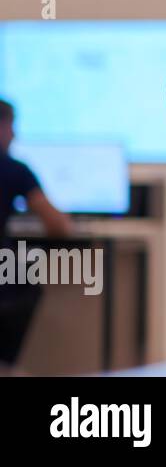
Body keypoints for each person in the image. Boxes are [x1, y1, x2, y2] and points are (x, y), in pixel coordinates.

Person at [0, 98, 74, 365]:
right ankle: (6, 364)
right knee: (24, 278)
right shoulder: (13, 168)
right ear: (4, 127)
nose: (15, 135)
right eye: (12, 127)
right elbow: (59, 226)